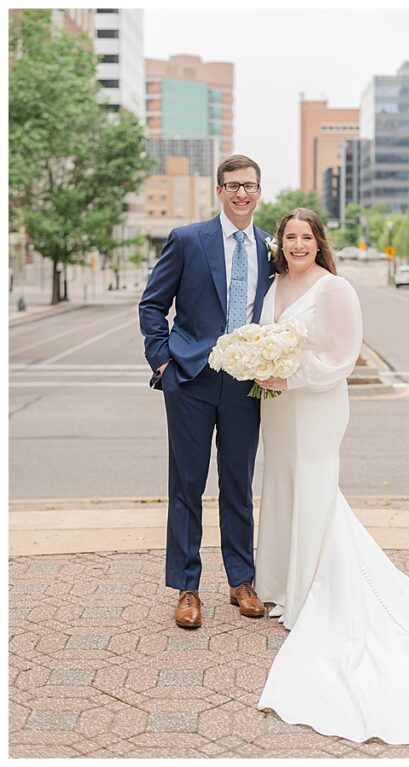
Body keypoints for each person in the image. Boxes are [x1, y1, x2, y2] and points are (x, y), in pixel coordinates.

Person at [251, 209, 409, 745]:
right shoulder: (273, 285)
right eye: (289, 237)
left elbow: (342, 357)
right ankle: (281, 584)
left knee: (314, 486)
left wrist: (290, 376)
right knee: (281, 484)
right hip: (276, 404)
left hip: (315, 402)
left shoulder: (336, 289)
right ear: (280, 243)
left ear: (319, 242)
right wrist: (260, 367)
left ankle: (313, 590)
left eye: (305, 237)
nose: (297, 245)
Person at [139, 155, 275, 629]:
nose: (242, 194)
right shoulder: (187, 240)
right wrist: (163, 361)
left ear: (259, 192)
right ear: (219, 191)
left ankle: (242, 581)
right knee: (187, 486)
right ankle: (187, 588)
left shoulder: (271, 249)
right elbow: (152, 305)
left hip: (245, 384)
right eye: (233, 185)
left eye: (249, 186)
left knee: (238, 485)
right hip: (191, 380)